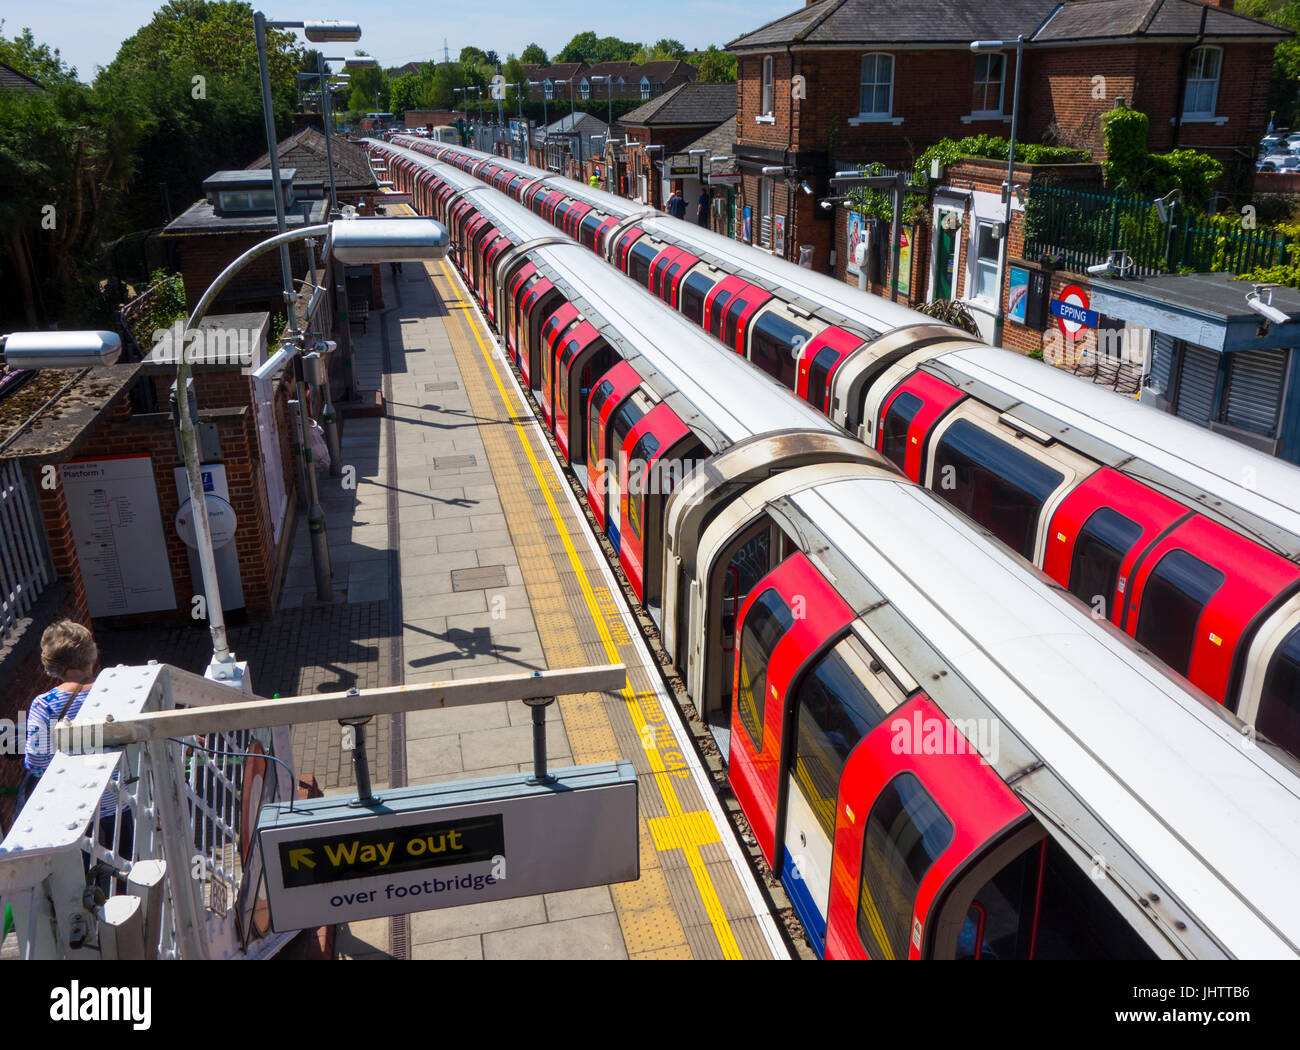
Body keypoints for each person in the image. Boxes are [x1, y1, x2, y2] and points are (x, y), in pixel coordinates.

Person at [22, 621, 132, 887]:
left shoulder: (45, 705)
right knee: (128, 873)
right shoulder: (118, 691)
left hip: (75, 810)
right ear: (91, 654)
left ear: (52, 663)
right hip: (120, 800)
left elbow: (36, 763)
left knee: (84, 882)